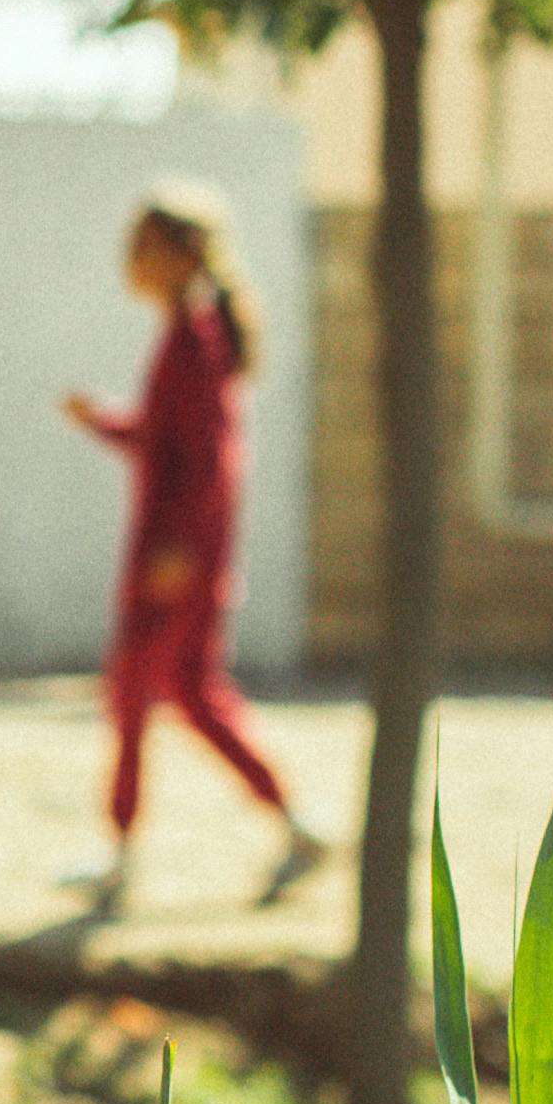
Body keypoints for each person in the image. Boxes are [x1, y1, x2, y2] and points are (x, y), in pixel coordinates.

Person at [61, 191, 334, 914]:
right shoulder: (188, 332)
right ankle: (297, 823)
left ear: (179, 252)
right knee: (188, 694)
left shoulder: (196, 336)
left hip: (176, 555)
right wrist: (104, 424)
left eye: (145, 245)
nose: (134, 260)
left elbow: (211, 459)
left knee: (137, 695)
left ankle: (121, 856)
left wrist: (180, 548)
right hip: (176, 549)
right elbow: (164, 441)